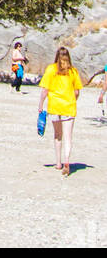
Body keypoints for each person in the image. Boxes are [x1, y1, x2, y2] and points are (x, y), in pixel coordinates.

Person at [39, 47, 83, 177]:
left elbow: (45, 90)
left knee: (58, 135)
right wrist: (73, 100)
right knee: (68, 137)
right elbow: (76, 92)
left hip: (54, 106)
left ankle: (58, 163)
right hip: (69, 107)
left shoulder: (51, 69)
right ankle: (67, 162)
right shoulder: (73, 71)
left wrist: (41, 105)